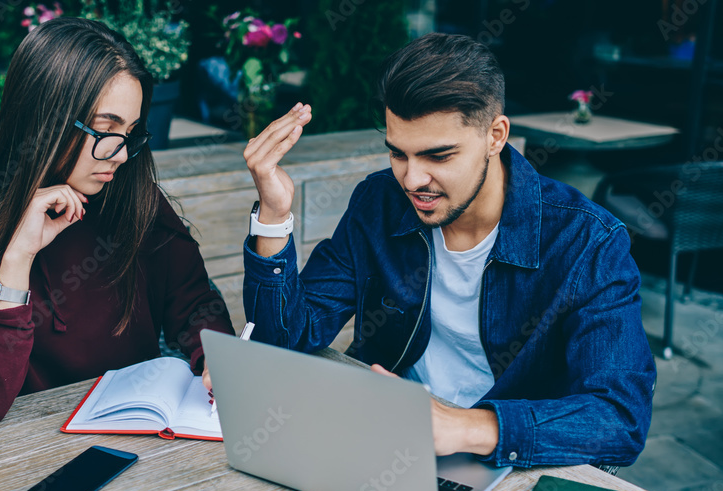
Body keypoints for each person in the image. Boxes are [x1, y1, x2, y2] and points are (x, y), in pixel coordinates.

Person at [238, 33, 656, 468]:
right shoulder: (378, 203)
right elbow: (280, 341)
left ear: (495, 136)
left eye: (438, 156)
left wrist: (466, 427)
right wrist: (273, 213)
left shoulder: (587, 241)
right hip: (385, 445)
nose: (412, 180)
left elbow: (620, 419)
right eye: (398, 154)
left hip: (511, 461)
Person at [0, 18, 233, 424]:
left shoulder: (133, 198)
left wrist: (216, 358)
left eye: (131, 132)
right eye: (106, 130)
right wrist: (18, 259)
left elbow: (194, 304)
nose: (120, 154)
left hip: (135, 433)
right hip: (13, 455)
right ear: (44, 121)